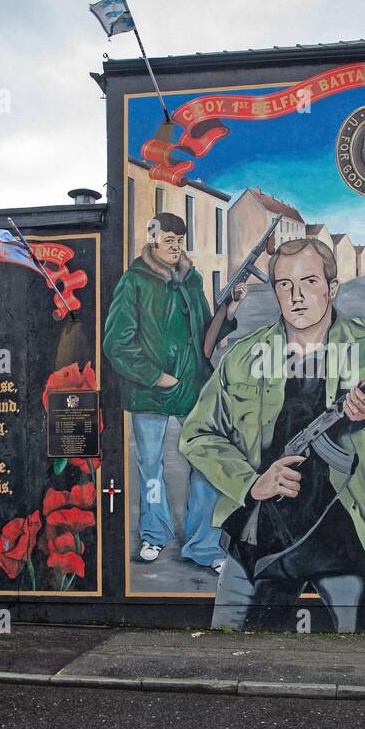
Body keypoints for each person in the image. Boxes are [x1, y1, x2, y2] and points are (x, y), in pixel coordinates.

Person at [180, 237, 365, 632]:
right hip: (261, 532)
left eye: (310, 282)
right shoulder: (245, 356)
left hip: (350, 530)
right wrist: (251, 483)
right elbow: (197, 434)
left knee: (359, 655)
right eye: (284, 284)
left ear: (332, 289)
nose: (297, 296)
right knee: (227, 646)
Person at [103, 212, 244, 572]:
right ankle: (154, 533)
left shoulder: (191, 279)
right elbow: (116, 342)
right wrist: (154, 376)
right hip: (150, 391)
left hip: (193, 386)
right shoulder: (134, 282)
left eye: (179, 240)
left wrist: (229, 312)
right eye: (168, 240)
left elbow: (206, 333)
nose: (174, 246)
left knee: (206, 461)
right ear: (152, 240)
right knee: (151, 467)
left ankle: (203, 545)